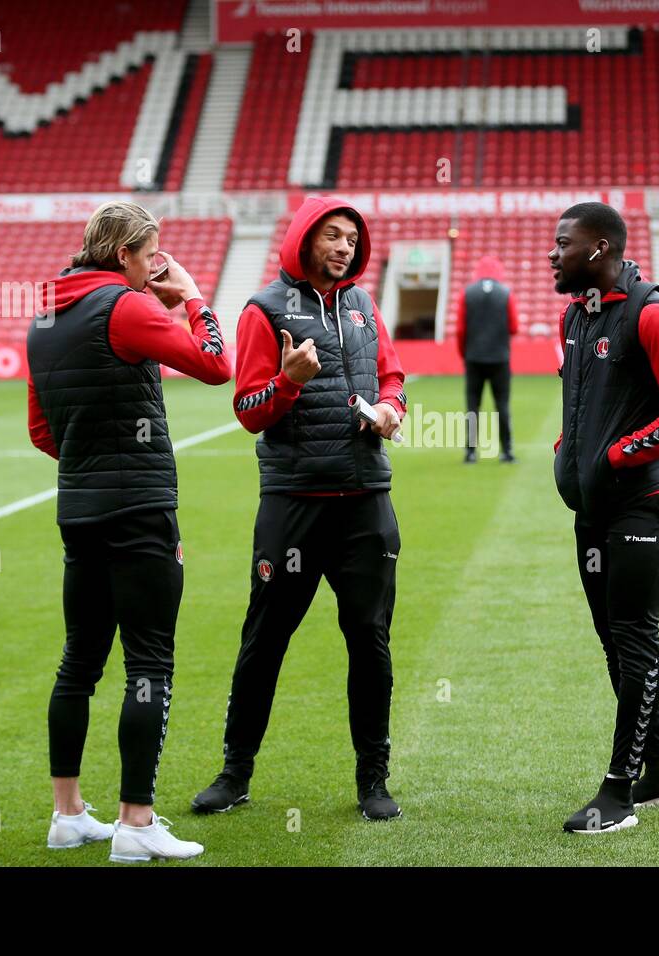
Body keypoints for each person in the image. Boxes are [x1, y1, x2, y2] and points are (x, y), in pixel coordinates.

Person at [27, 200, 231, 863]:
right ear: (124, 255)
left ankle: (68, 814)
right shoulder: (128, 306)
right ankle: (136, 823)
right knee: (149, 662)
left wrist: (93, 465)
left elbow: (40, 431)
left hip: (79, 511)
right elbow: (213, 363)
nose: (155, 269)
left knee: (79, 663)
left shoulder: (45, 314)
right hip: (139, 511)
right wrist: (194, 298)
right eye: (151, 256)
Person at [192, 196, 409, 822]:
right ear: (305, 239)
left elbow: (391, 376)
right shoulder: (264, 310)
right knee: (265, 640)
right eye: (333, 236)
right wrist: (287, 380)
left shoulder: (364, 307)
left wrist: (392, 408)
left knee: (370, 641)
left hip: (367, 499)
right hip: (294, 505)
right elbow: (248, 410)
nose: (344, 247)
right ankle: (234, 775)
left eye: (351, 239)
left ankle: (374, 779)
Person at [550, 202, 659, 834]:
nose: (552, 253)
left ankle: (619, 792)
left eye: (563, 243)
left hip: (644, 504)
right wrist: (570, 451)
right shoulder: (576, 315)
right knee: (616, 641)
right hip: (594, 509)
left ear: (599, 249)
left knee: (634, 637)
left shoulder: (654, 315)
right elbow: (580, 402)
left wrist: (616, 456)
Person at [456, 254, 518, 463]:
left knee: (473, 406)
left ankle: (471, 452)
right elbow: (514, 327)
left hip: (474, 357)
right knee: (502, 405)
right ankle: (507, 451)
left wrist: (464, 353)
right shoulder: (506, 293)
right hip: (500, 357)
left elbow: (460, 329)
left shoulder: (467, 293)